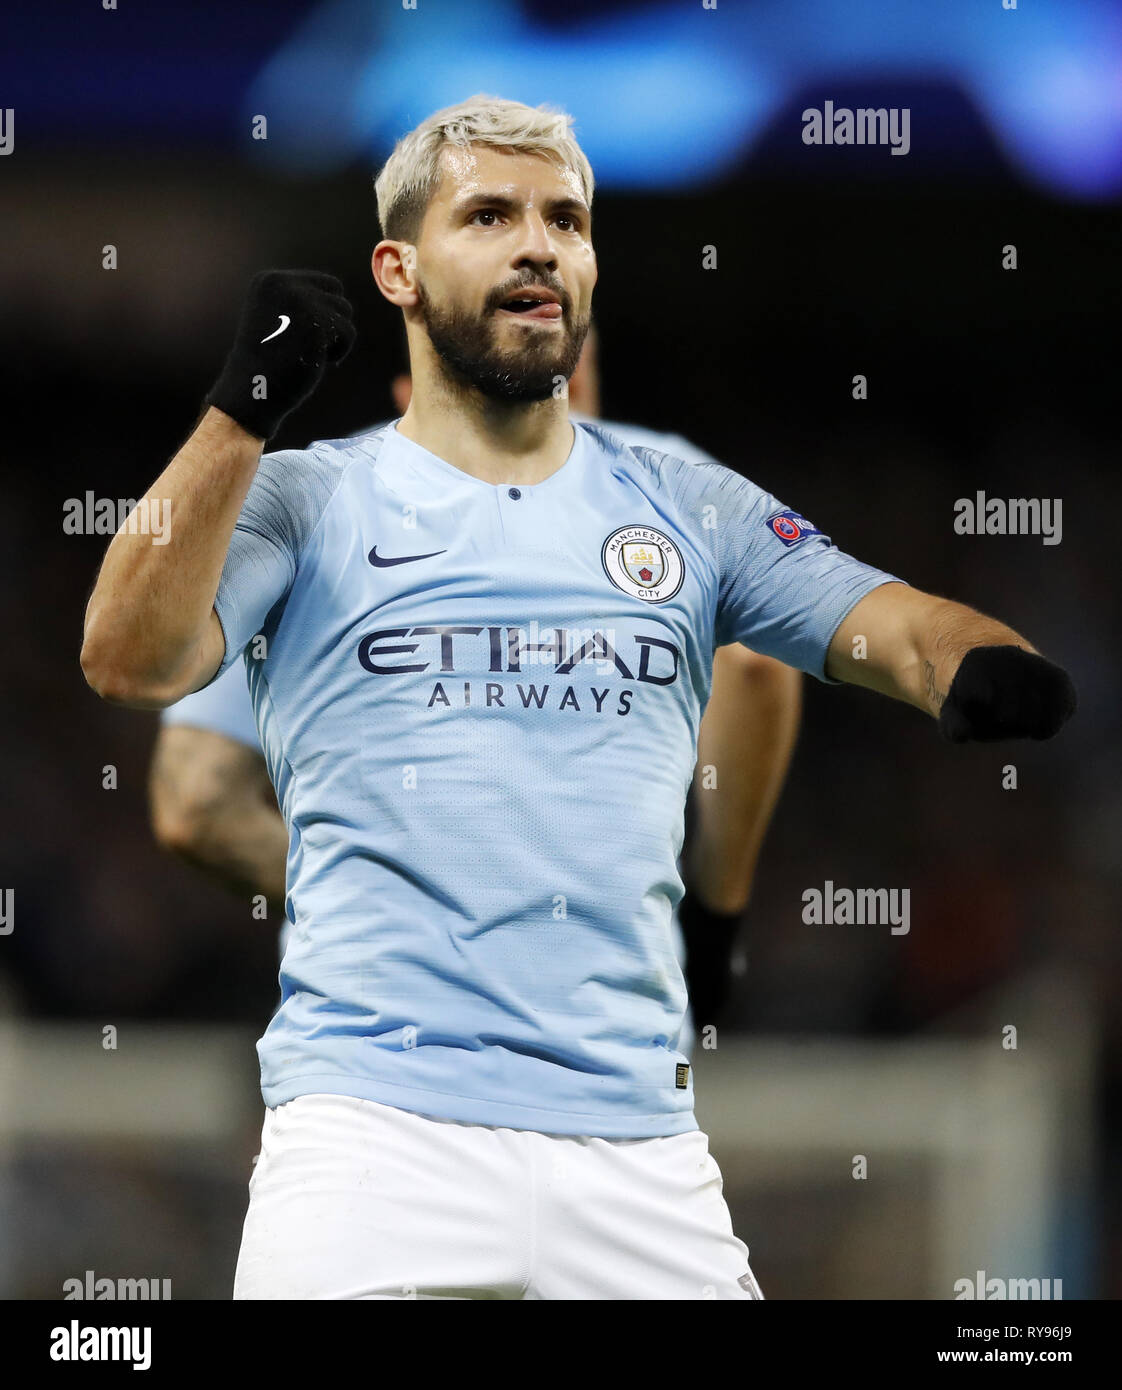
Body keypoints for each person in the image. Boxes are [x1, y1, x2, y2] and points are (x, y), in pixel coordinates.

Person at [80, 95, 1075, 1300]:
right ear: (397, 270)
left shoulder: (687, 505)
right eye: (490, 214)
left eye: (566, 219)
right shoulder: (307, 498)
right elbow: (126, 657)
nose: (539, 244)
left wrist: (979, 663)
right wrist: (241, 407)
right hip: (370, 1139)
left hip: (637, 1150)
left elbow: (897, 623)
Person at [150, 326, 802, 1049]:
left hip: (374, 1035)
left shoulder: (314, 500)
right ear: (584, 390)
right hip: (608, 1033)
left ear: (412, 394)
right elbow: (756, 668)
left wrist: (388, 913)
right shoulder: (666, 483)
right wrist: (712, 926)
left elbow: (195, 802)